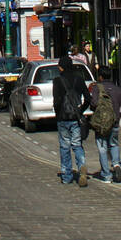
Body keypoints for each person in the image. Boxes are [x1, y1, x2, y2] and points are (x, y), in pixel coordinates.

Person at [53, 54, 93, 186]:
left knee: (65, 147)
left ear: (62, 67)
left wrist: (57, 113)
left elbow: (57, 101)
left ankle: (66, 175)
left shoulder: (58, 81)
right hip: (75, 117)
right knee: (77, 145)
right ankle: (82, 166)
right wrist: (80, 110)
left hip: (63, 118)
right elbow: (88, 98)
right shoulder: (79, 79)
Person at [89, 65, 121, 183]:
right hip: (114, 122)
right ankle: (116, 164)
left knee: (102, 148)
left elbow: (93, 103)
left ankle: (106, 175)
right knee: (114, 144)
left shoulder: (96, 88)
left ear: (100, 77)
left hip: (101, 124)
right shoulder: (118, 89)